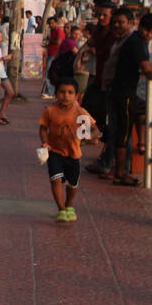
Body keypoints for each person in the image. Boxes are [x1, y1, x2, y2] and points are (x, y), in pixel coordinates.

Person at [108, 11, 152, 185]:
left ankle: (143, 143)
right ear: (140, 27)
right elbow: (146, 67)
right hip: (124, 93)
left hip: (124, 91)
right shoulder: (137, 43)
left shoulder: (137, 41)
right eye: (148, 31)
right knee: (123, 133)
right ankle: (120, 173)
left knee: (143, 109)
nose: (149, 35)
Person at [39, 78, 102, 224]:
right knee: (55, 179)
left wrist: (92, 137)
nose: (65, 96)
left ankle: (69, 205)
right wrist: (44, 142)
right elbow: (43, 128)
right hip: (54, 151)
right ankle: (61, 209)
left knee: (72, 184)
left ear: (76, 96)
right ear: (56, 94)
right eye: (62, 92)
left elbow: (94, 129)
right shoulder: (50, 111)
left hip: (73, 154)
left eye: (70, 93)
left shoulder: (80, 112)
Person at [80, 0, 118, 175]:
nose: (101, 18)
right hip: (98, 80)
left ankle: (108, 160)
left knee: (113, 123)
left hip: (111, 84)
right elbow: (91, 43)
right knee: (85, 109)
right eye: (99, 15)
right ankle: (99, 139)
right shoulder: (99, 31)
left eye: (105, 15)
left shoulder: (114, 34)